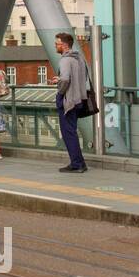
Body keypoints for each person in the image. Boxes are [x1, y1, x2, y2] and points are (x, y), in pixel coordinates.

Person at [52, 32, 89, 173]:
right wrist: (60, 79)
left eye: (57, 44)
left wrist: (60, 92)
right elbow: (83, 77)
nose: (56, 46)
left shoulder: (65, 60)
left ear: (65, 45)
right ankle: (79, 162)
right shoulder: (79, 58)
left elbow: (66, 79)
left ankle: (77, 164)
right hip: (79, 98)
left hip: (68, 99)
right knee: (72, 131)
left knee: (68, 133)